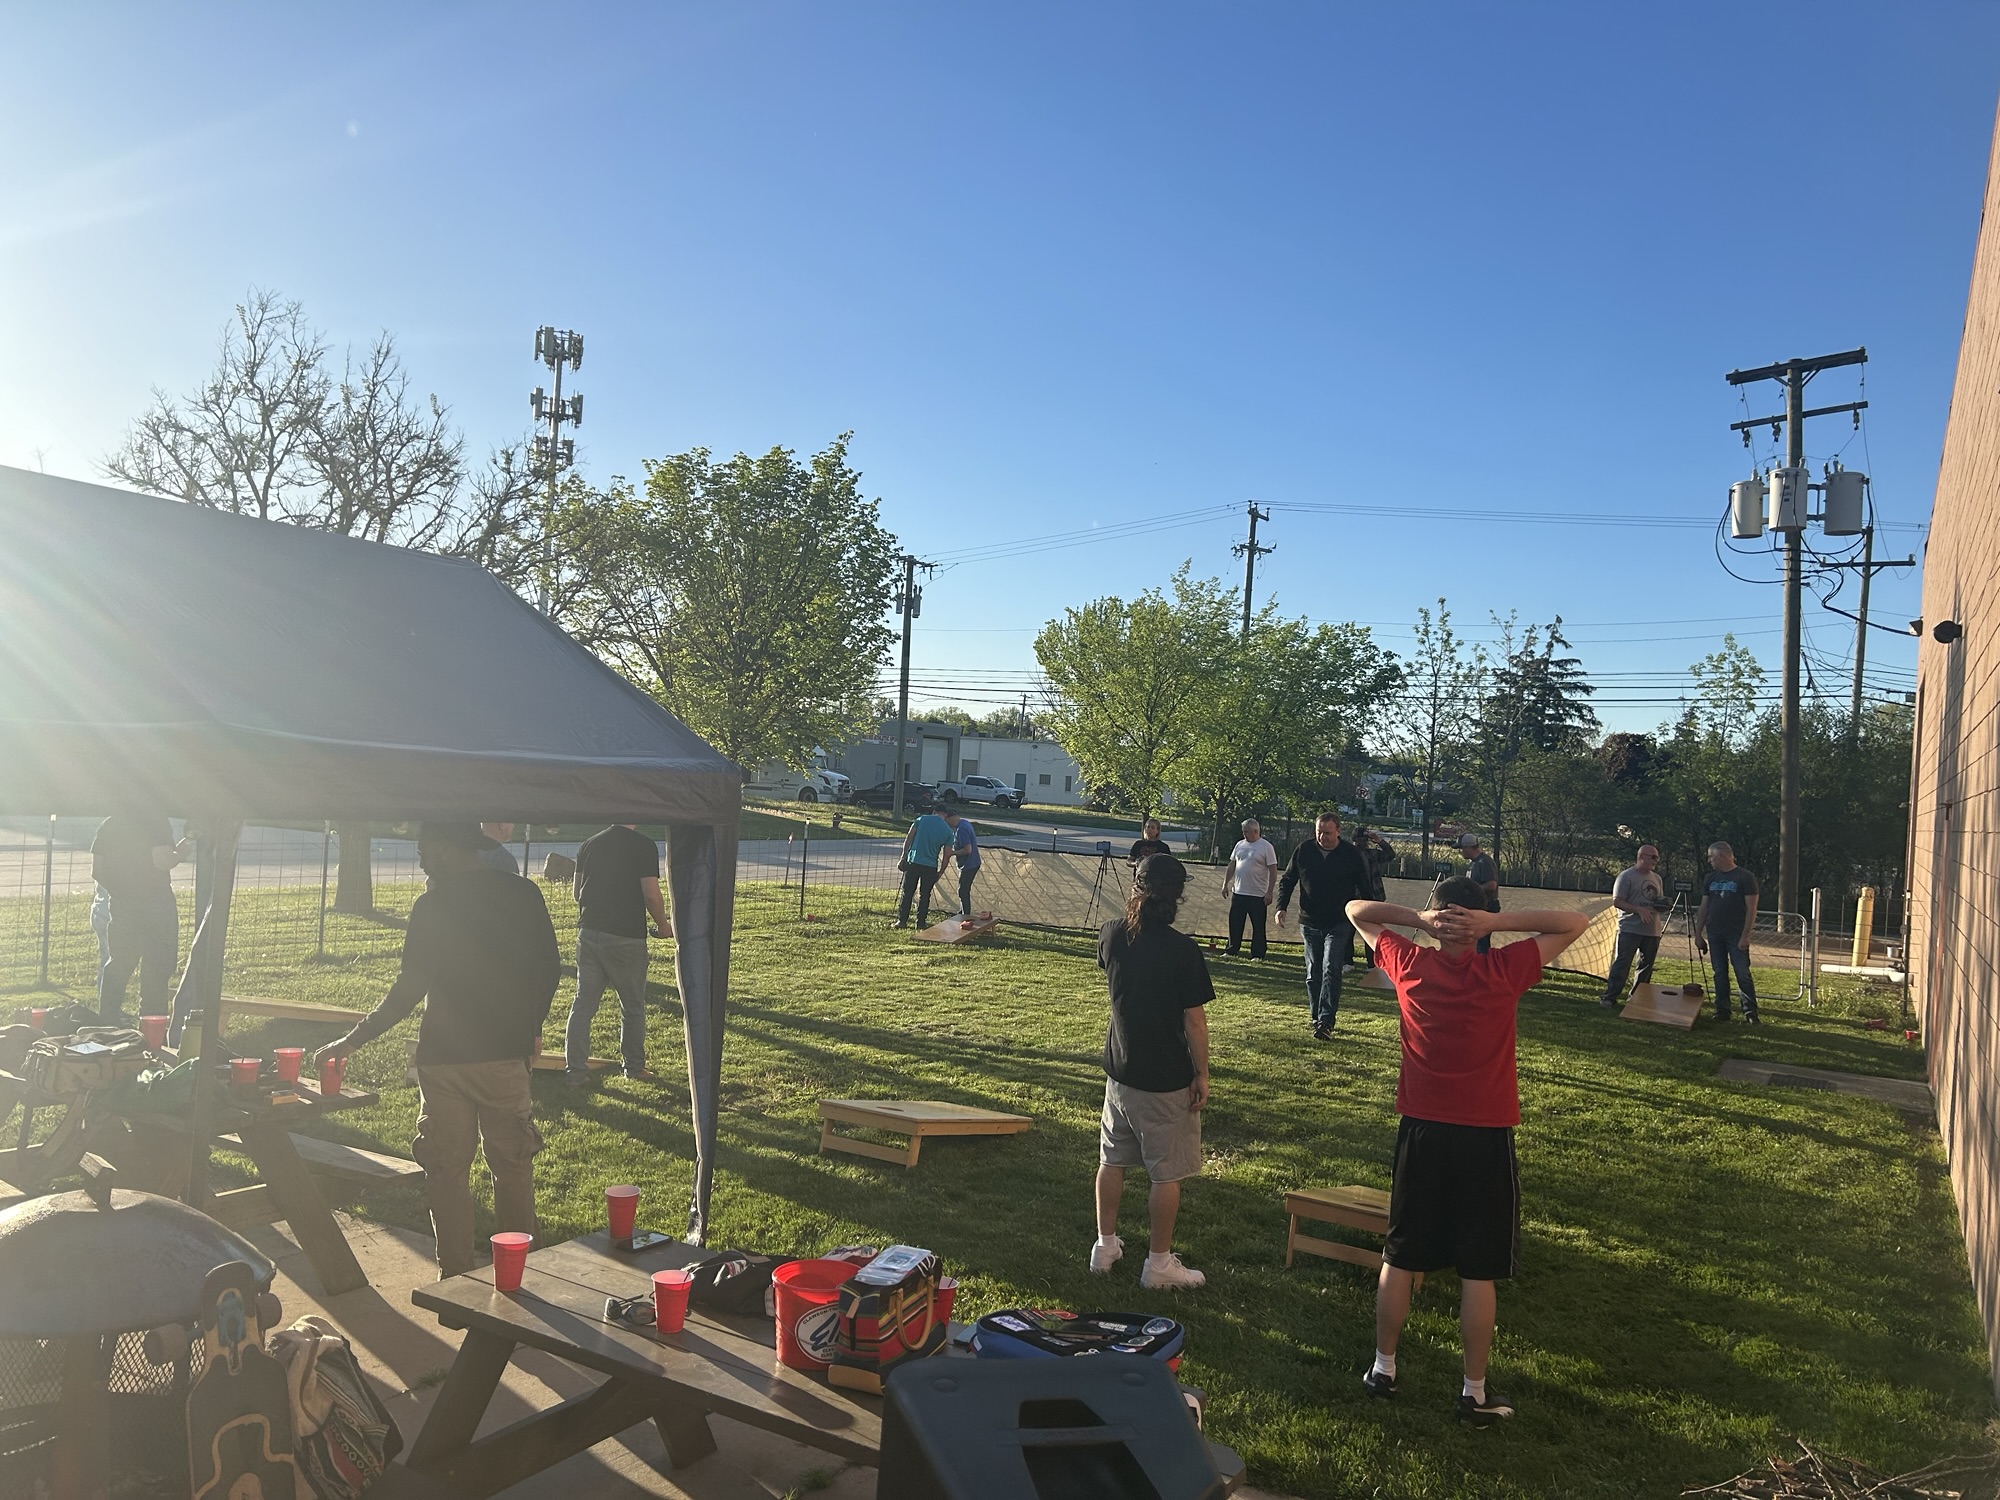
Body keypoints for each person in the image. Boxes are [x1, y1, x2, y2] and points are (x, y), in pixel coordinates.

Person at [1346, 879, 1588, 1426]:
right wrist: (1492, 925)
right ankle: (1472, 1393)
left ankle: (1383, 1369)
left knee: (1400, 1256)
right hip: (1484, 1136)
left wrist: (1423, 920)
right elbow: (1574, 923)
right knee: (1479, 1271)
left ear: (1435, 920)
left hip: (1422, 1132)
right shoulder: (1504, 970)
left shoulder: (1408, 963)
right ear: (1481, 923)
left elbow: (1355, 909)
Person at [313, 823, 560, 1279]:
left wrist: (353, 1039)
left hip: (444, 1057)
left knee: (446, 1172)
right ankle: (518, 1275)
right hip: (504, 1055)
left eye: (427, 851)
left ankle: (455, 1277)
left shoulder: (433, 906)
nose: (423, 860)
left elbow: (409, 987)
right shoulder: (523, 895)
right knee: (512, 1168)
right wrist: (531, 1027)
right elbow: (550, 968)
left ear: (450, 848)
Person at [1091, 854, 1212, 1290]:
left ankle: (1105, 1246)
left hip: (1120, 1072)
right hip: (1164, 1080)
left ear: (1136, 887)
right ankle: (1158, 1264)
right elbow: (1194, 1021)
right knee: (1166, 1173)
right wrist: (1202, 1074)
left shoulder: (1111, 934)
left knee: (1112, 1160)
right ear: (1177, 895)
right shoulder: (1182, 950)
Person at [563, 823, 671, 1084]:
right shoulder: (644, 846)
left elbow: (577, 893)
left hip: (588, 933)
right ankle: (633, 1067)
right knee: (632, 1005)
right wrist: (663, 924)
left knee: (583, 1004)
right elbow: (651, 895)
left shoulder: (588, 844)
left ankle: (575, 1070)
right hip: (626, 938)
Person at [1274, 813, 1373, 1039]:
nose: (1322, 837)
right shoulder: (1304, 850)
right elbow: (1288, 880)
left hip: (1339, 922)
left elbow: (1365, 887)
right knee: (1313, 971)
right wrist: (1281, 907)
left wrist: (1370, 915)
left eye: (1327, 833)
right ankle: (1315, 1016)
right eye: (1318, 832)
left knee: (1331, 968)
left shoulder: (1351, 854)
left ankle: (1326, 1021)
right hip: (1309, 921)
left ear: (1338, 831)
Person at [91, 814, 189, 1023]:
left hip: (122, 905)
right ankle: (151, 1027)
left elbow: (97, 871)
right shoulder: (155, 819)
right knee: (156, 967)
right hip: (157, 905)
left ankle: (106, 1022)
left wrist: (121, 892)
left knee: (119, 963)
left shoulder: (109, 824)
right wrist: (180, 852)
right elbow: (161, 861)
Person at [1694, 842, 1760, 1024]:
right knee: (1719, 972)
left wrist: (1745, 935)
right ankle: (1722, 1010)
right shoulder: (1710, 878)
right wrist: (1698, 933)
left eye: (1711, 856)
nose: (1709, 860)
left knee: (1742, 972)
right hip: (1715, 933)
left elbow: (1751, 908)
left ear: (1723, 856)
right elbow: (1704, 906)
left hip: (1736, 933)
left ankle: (1750, 1012)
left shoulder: (1745, 877)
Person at [1600, 844, 1666, 1011]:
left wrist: (1663, 905)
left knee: (1646, 966)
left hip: (1652, 929)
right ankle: (1610, 997)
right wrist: (1639, 910)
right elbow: (1618, 901)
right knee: (1622, 963)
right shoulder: (1626, 876)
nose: (1655, 861)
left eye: (1656, 858)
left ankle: (1637, 999)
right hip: (1630, 928)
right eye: (1653, 857)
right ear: (1641, 856)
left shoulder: (1657, 878)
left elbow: (1657, 900)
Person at [1221, 818, 1280, 959]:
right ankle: (1231, 949)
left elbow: (1273, 870)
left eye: (1247, 832)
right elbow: (1232, 865)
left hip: (1258, 894)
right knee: (1235, 923)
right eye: (1243, 832)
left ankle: (1258, 954)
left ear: (1256, 831)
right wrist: (1225, 884)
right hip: (1239, 891)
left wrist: (1269, 891)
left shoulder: (1266, 847)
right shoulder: (1239, 845)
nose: (1244, 834)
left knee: (1258, 926)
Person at [895, 807, 956, 929]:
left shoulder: (921, 819)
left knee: (907, 892)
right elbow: (946, 856)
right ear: (946, 815)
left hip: (914, 861)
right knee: (925, 895)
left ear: (935, 811)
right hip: (930, 866)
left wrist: (904, 856)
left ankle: (902, 921)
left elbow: (909, 838)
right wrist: (941, 872)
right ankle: (921, 923)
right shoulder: (948, 832)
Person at [1352, 826, 1397, 968]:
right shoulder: (1349, 855)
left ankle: (1371, 963)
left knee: (1371, 931)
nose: (1361, 843)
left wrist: (1379, 840)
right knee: (1348, 930)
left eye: (1364, 840)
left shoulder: (1372, 854)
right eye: (1359, 840)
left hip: (1372, 896)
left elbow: (1390, 855)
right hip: (1355, 897)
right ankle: (1348, 961)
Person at [1460, 834, 1500, 954]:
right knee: (1475, 941)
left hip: (1487, 907)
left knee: (1481, 943)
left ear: (1468, 847)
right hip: (1478, 907)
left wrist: (1473, 889)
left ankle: (1482, 967)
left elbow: (1492, 885)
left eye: (1461, 848)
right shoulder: (1474, 863)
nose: (1460, 852)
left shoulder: (1484, 862)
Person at [944, 808, 982, 915]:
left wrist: (952, 853)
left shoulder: (962, 829)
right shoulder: (964, 823)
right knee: (963, 888)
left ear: (950, 817)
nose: (946, 824)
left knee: (963, 890)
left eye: (946, 820)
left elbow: (967, 850)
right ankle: (962, 911)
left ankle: (965, 914)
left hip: (969, 864)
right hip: (971, 863)